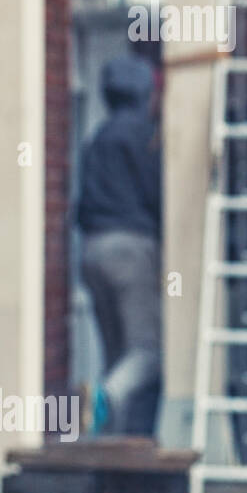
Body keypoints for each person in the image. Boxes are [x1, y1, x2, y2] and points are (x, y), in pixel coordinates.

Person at [77, 54, 163, 436]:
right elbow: (158, 195)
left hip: (92, 251)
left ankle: (109, 438)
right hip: (130, 250)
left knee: (117, 354)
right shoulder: (144, 136)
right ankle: (103, 397)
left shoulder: (97, 138)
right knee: (146, 353)